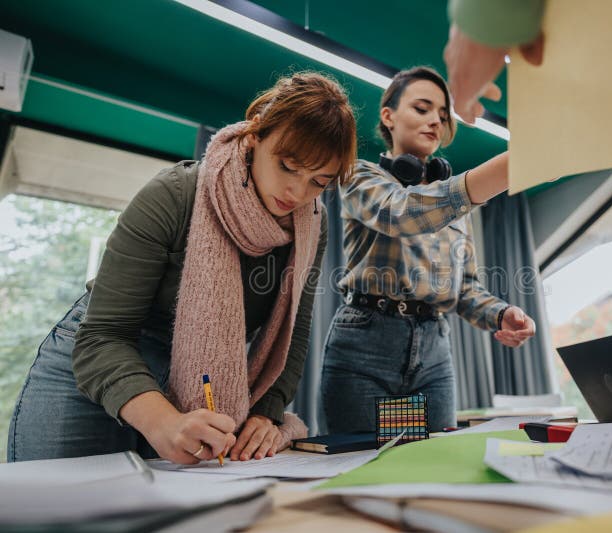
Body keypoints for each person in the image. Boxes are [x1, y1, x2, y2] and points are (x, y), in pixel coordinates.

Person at [8, 72, 358, 464]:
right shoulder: (174, 194)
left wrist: (266, 413)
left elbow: (293, 336)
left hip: (194, 382)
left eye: (319, 182)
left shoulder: (312, 225)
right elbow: (103, 335)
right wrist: (161, 421)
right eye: (288, 166)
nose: (298, 193)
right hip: (99, 362)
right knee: (59, 498)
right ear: (256, 135)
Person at [320, 66, 536, 434]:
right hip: (364, 345)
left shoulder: (455, 208)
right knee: (363, 462)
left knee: (437, 459)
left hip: (435, 349)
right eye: (422, 108)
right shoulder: (359, 175)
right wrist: (511, 166)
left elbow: (464, 288)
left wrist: (500, 313)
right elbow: (402, 213)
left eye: (442, 115)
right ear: (388, 116)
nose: (436, 120)